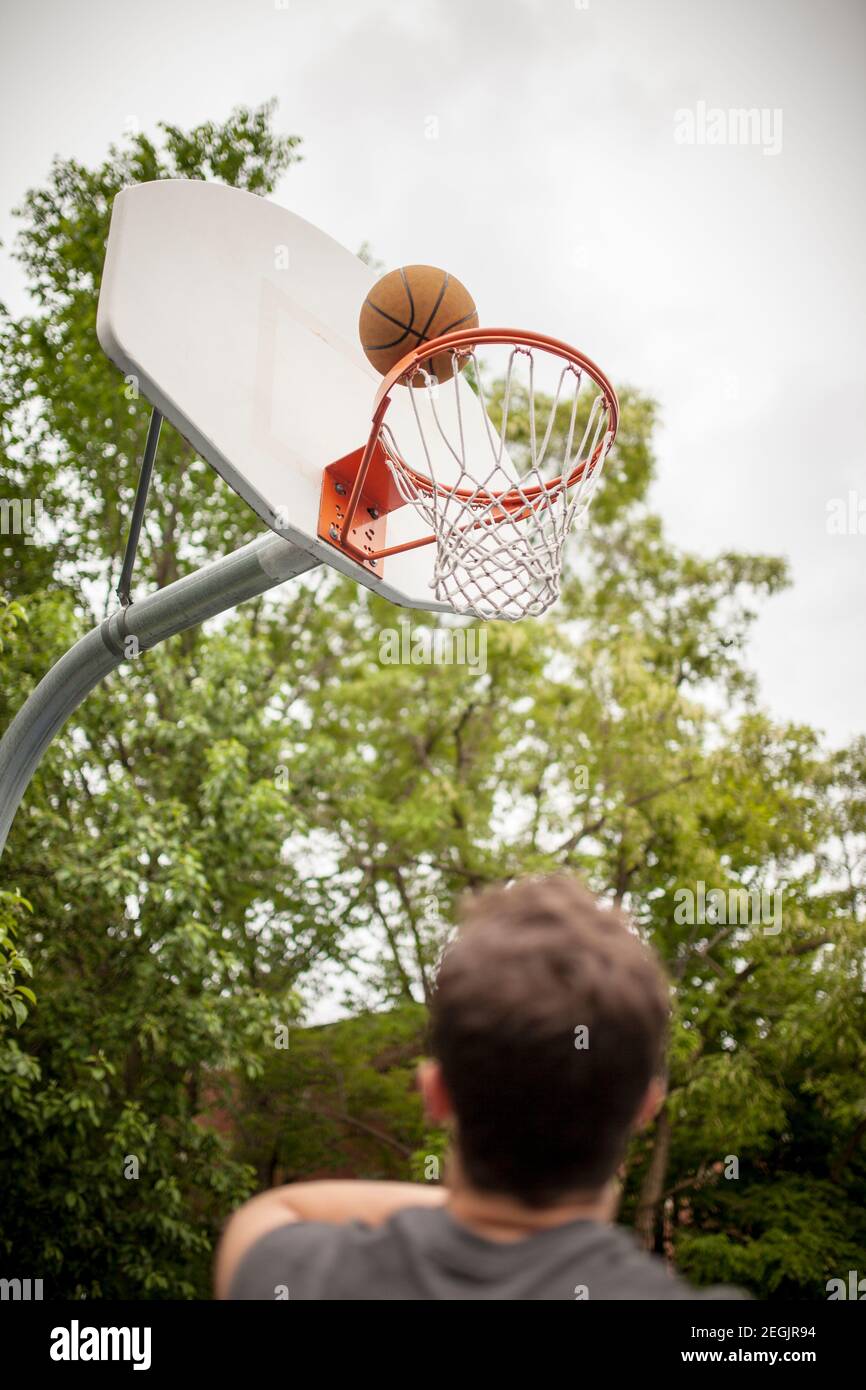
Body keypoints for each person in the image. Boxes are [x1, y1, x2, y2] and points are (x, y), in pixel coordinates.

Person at [216, 875, 746, 1300]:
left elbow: (278, 1209)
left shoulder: (290, 1273)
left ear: (434, 1093)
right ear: (644, 1106)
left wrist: (466, 1209)